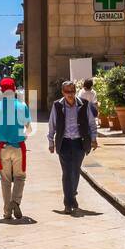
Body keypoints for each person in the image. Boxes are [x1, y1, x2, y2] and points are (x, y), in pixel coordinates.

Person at [48, 78, 97, 213]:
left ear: (75, 91)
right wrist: (51, 142)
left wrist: (93, 138)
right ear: (63, 92)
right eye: (67, 91)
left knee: (75, 171)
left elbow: (92, 123)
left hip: (79, 143)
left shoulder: (84, 104)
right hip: (63, 143)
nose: (70, 93)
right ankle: (68, 202)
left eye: (72, 91)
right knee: (66, 172)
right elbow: (52, 124)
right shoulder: (57, 105)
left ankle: (72, 195)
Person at [0, 76, 32, 222]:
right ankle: (15, 202)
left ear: (2, 91)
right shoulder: (22, 106)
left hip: (3, 148)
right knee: (20, 177)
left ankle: (7, 211)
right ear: (14, 89)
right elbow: (28, 127)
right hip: (19, 147)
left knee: (5, 180)